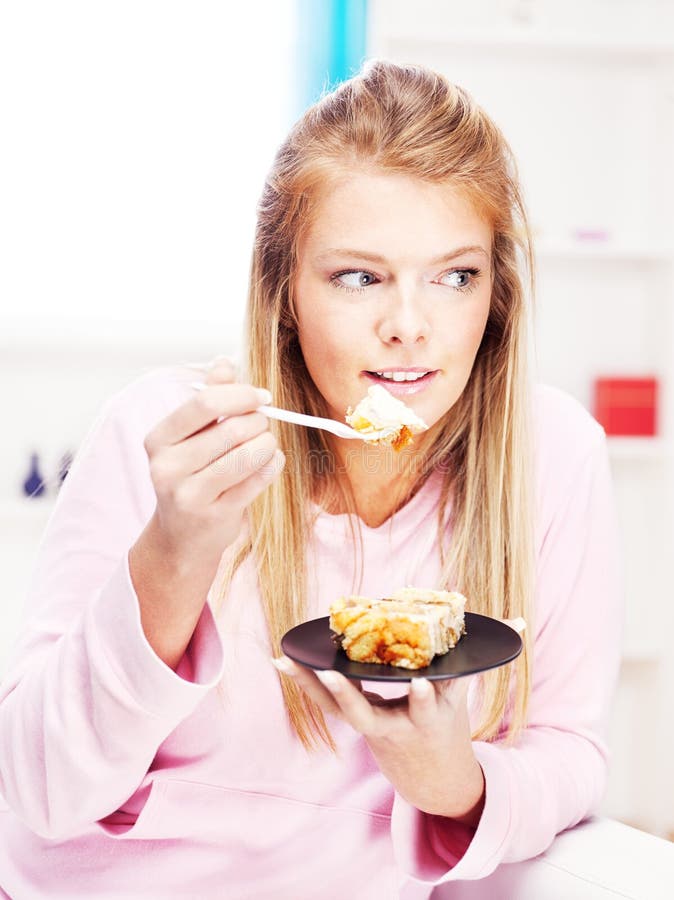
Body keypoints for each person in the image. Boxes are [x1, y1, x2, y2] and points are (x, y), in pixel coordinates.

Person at [0, 60, 622, 899]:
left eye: (454, 276)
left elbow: (569, 750)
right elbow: (40, 792)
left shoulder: (553, 456)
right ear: (284, 290)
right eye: (359, 277)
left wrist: (451, 783)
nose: (409, 326)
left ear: (497, 295)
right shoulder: (164, 435)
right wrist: (173, 558)